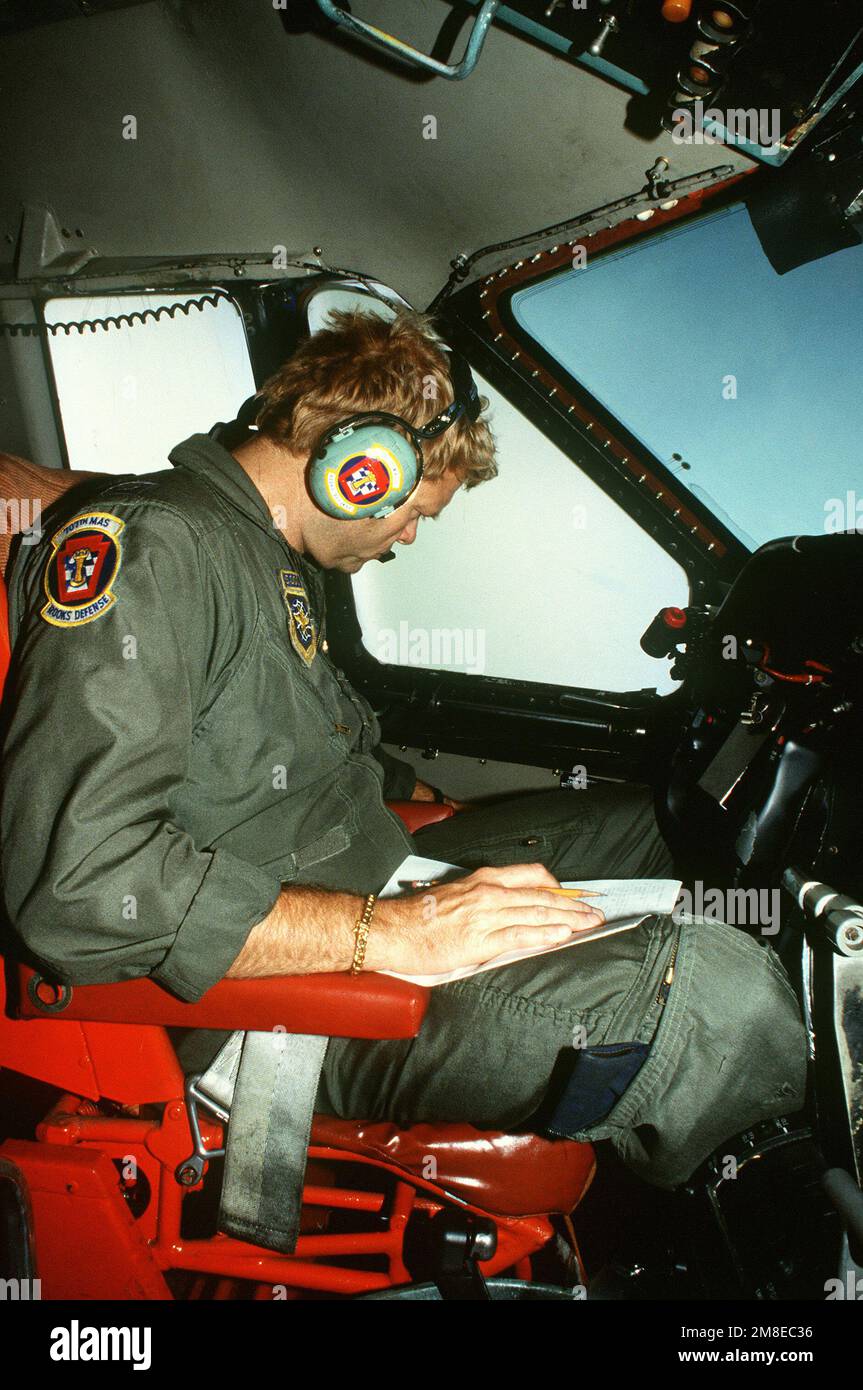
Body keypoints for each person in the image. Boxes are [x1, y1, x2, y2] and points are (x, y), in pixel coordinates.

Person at [0, 308, 806, 1189]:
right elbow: (79, 887)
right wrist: (387, 931)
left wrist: (425, 837)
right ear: (357, 470)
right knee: (714, 1002)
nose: (410, 536)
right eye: (414, 510)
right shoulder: (157, 549)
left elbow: (277, 747)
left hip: (364, 877)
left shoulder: (257, 553)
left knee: (660, 829)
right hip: (253, 1003)